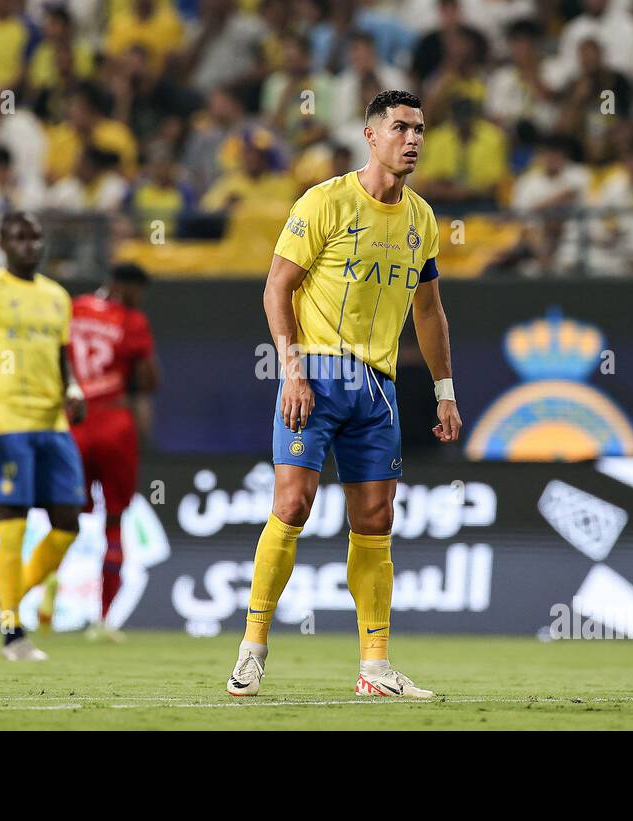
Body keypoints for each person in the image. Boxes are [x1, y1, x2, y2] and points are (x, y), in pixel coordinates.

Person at [225, 90, 461, 700]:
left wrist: (444, 391)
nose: (413, 140)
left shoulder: (423, 219)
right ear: (371, 135)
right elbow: (277, 289)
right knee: (294, 503)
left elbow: (429, 310)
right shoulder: (324, 200)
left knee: (376, 518)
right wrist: (293, 370)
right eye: (402, 128)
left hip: (378, 386)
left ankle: (374, 667)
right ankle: (253, 646)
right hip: (318, 375)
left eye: (420, 130)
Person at [0, 212, 87, 662]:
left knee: (68, 522)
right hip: (6, 424)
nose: (30, 245)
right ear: (2, 244)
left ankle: (8, 597)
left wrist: (73, 390)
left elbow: (62, 356)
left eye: (36, 237)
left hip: (52, 425)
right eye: (19, 238)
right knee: (13, 524)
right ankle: (12, 630)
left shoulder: (57, 297)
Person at [37, 262, 159, 642]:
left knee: (64, 516)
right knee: (115, 520)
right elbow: (148, 380)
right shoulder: (132, 319)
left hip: (73, 421)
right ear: (128, 288)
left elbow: (50, 360)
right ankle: (103, 620)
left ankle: (47, 596)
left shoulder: (73, 308)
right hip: (113, 419)